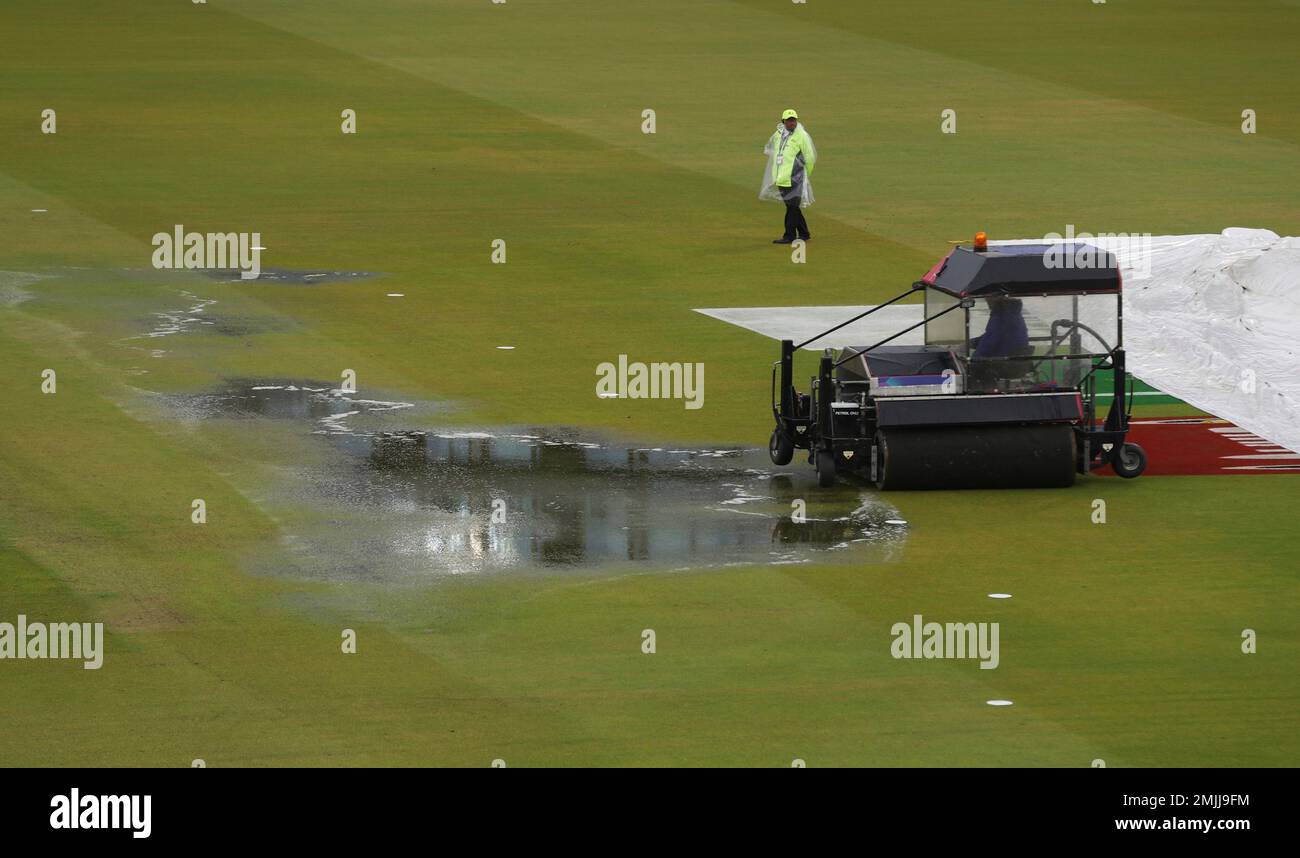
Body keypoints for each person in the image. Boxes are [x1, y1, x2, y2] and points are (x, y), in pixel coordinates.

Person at [760, 109, 817, 244]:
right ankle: (804, 233)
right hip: (781, 178)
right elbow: (772, 149)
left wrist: (804, 176)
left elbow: (810, 157)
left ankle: (789, 236)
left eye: (794, 120)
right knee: (792, 207)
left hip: (795, 178)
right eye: (789, 120)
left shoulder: (802, 136)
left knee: (791, 208)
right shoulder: (778, 134)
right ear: (783, 121)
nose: (792, 122)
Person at [971, 295, 1029, 359]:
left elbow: (989, 344)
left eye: (988, 297)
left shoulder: (1000, 317)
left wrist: (973, 360)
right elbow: (991, 335)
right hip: (1015, 361)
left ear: (997, 297)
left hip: (1000, 362)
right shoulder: (1014, 314)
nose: (986, 300)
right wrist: (972, 342)